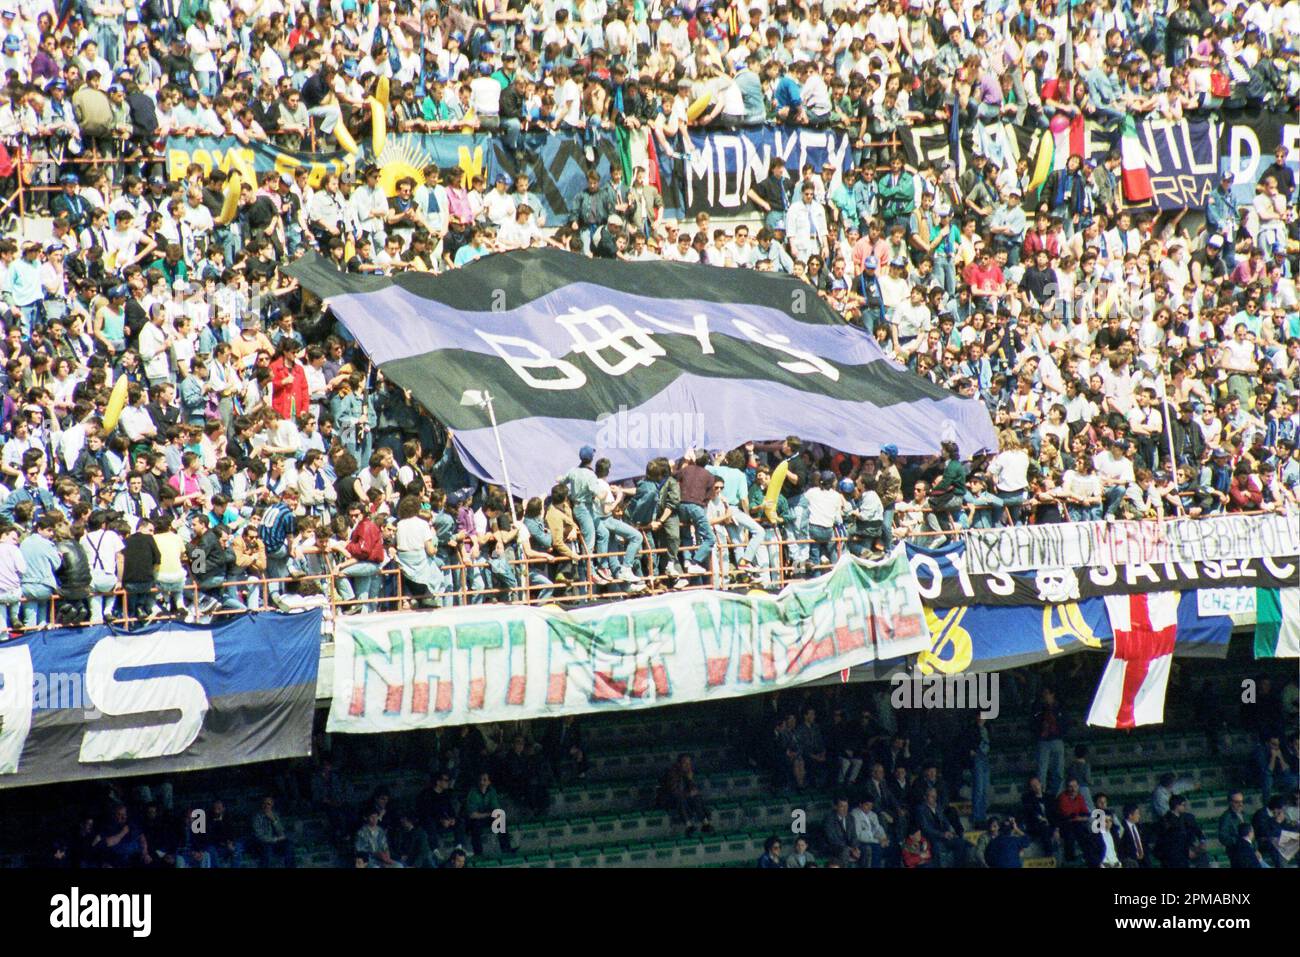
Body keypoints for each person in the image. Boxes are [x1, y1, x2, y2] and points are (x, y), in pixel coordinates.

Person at [251, 795, 295, 868]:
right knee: (267, 849)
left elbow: (281, 832)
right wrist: (275, 839)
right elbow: (259, 836)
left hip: (274, 842)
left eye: (268, 804)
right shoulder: (256, 817)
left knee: (289, 845)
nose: (266, 806)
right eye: (264, 803)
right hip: (262, 842)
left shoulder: (275, 815)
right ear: (261, 805)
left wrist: (274, 820)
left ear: (272, 805)